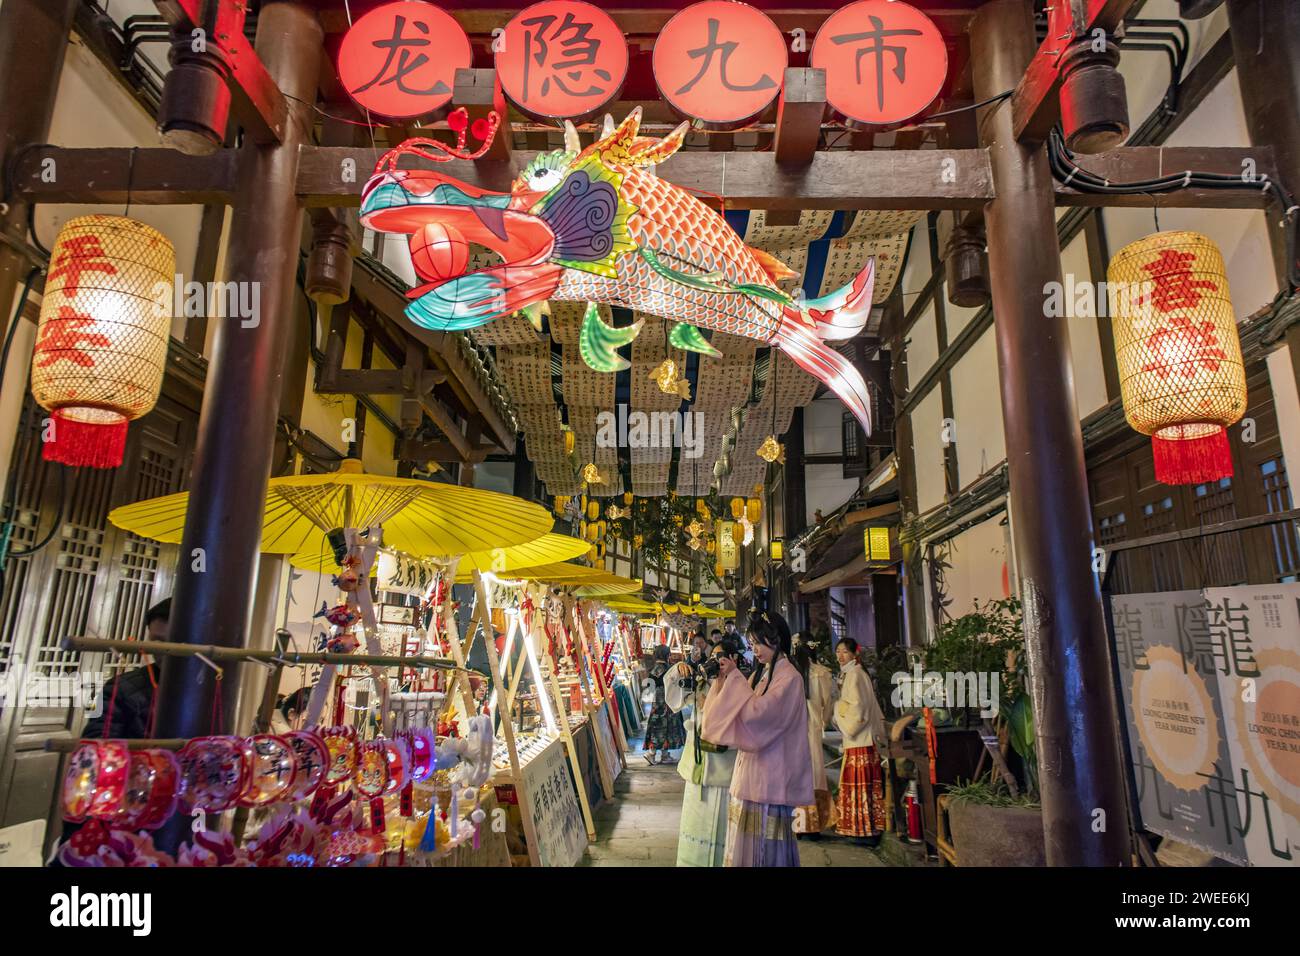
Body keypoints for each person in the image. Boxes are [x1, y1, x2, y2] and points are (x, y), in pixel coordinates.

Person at [701, 610, 812, 867]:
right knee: (750, 848)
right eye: (753, 644)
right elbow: (738, 710)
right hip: (754, 777)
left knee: (766, 851)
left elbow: (758, 715)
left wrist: (735, 678)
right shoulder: (763, 674)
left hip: (771, 780)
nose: (757, 650)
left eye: (761, 643)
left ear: (777, 640)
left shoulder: (789, 678)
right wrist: (725, 679)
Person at [665, 637, 743, 866]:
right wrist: (678, 671)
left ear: (733, 660)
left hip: (723, 770)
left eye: (721, 658)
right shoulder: (702, 682)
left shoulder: (740, 685)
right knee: (694, 827)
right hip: (698, 768)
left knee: (720, 829)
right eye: (713, 658)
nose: (716, 663)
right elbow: (674, 701)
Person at [82, 598, 170, 740]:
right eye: (157, 641)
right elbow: (95, 745)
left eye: (173, 642)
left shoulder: (212, 689)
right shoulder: (119, 688)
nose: (162, 651)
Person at [833, 637, 888, 846]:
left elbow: (858, 709)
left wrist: (839, 711)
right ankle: (861, 828)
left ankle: (864, 829)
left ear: (855, 654)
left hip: (861, 739)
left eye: (844, 652)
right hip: (858, 740)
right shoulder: (851, 673)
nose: (840, 656)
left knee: (861, 787)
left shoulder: (855, 675)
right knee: (858, 787)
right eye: (838, 651)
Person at [791, 633, 836, 838]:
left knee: (796, 774)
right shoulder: (821, 673)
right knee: (816, 775)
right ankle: (815, 823)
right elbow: (828, 705)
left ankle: (798, 823)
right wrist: (823, 722)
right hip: (813, 729)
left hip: (792, 731)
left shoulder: (790, 672)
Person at [642, 644, 685, 765]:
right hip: (669, 703)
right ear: (667, 655)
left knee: (657, 728)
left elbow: (648, 689)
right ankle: (651, 753)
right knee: (667, 729)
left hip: (656, 705)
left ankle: (664, 755)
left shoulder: (652, 670)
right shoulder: (671, 669)